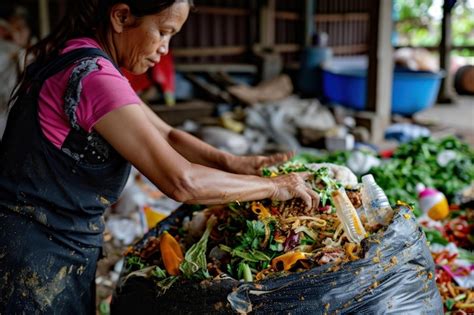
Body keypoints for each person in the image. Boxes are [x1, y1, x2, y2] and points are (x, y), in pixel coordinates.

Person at [0, 0, 319, 313]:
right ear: (122, 17)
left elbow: (167, 135)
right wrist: (276, 186)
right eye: (163, 32)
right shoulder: (94, 78)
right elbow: (182, 182)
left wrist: (233, 163)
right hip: (36, 250)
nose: (165, 48)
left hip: (52, 239)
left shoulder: (82, 56)